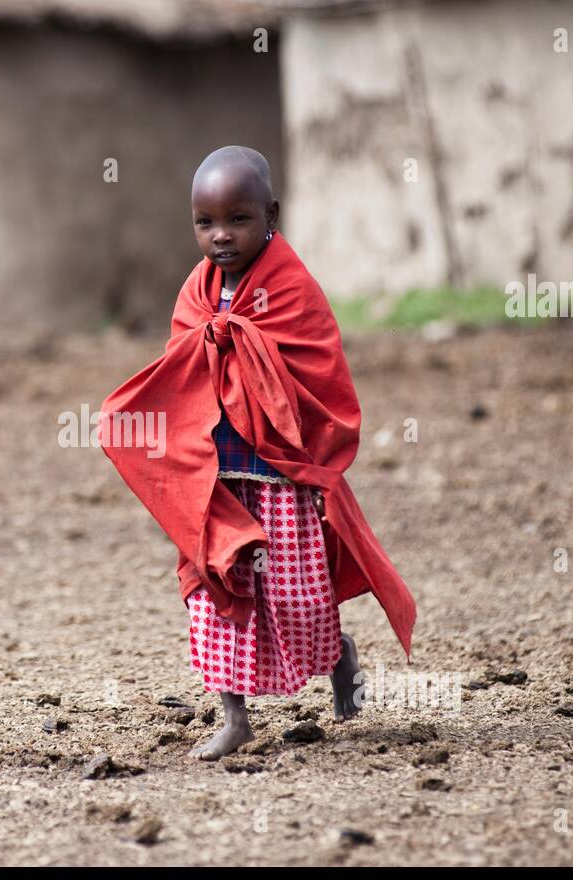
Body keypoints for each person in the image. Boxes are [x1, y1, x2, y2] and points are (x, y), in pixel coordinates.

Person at [99, 145, 416, 760]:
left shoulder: (292, 288)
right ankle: (234, 717)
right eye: (205, 222)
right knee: (220, 595)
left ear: (271, 214)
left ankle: (337, 654)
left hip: (278, 472)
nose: (220, 236)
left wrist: (241, 348)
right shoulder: (198, 289)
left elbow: (319, 374)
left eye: (237, 219)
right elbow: (180, 370)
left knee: (298, 599)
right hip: (216, 476)